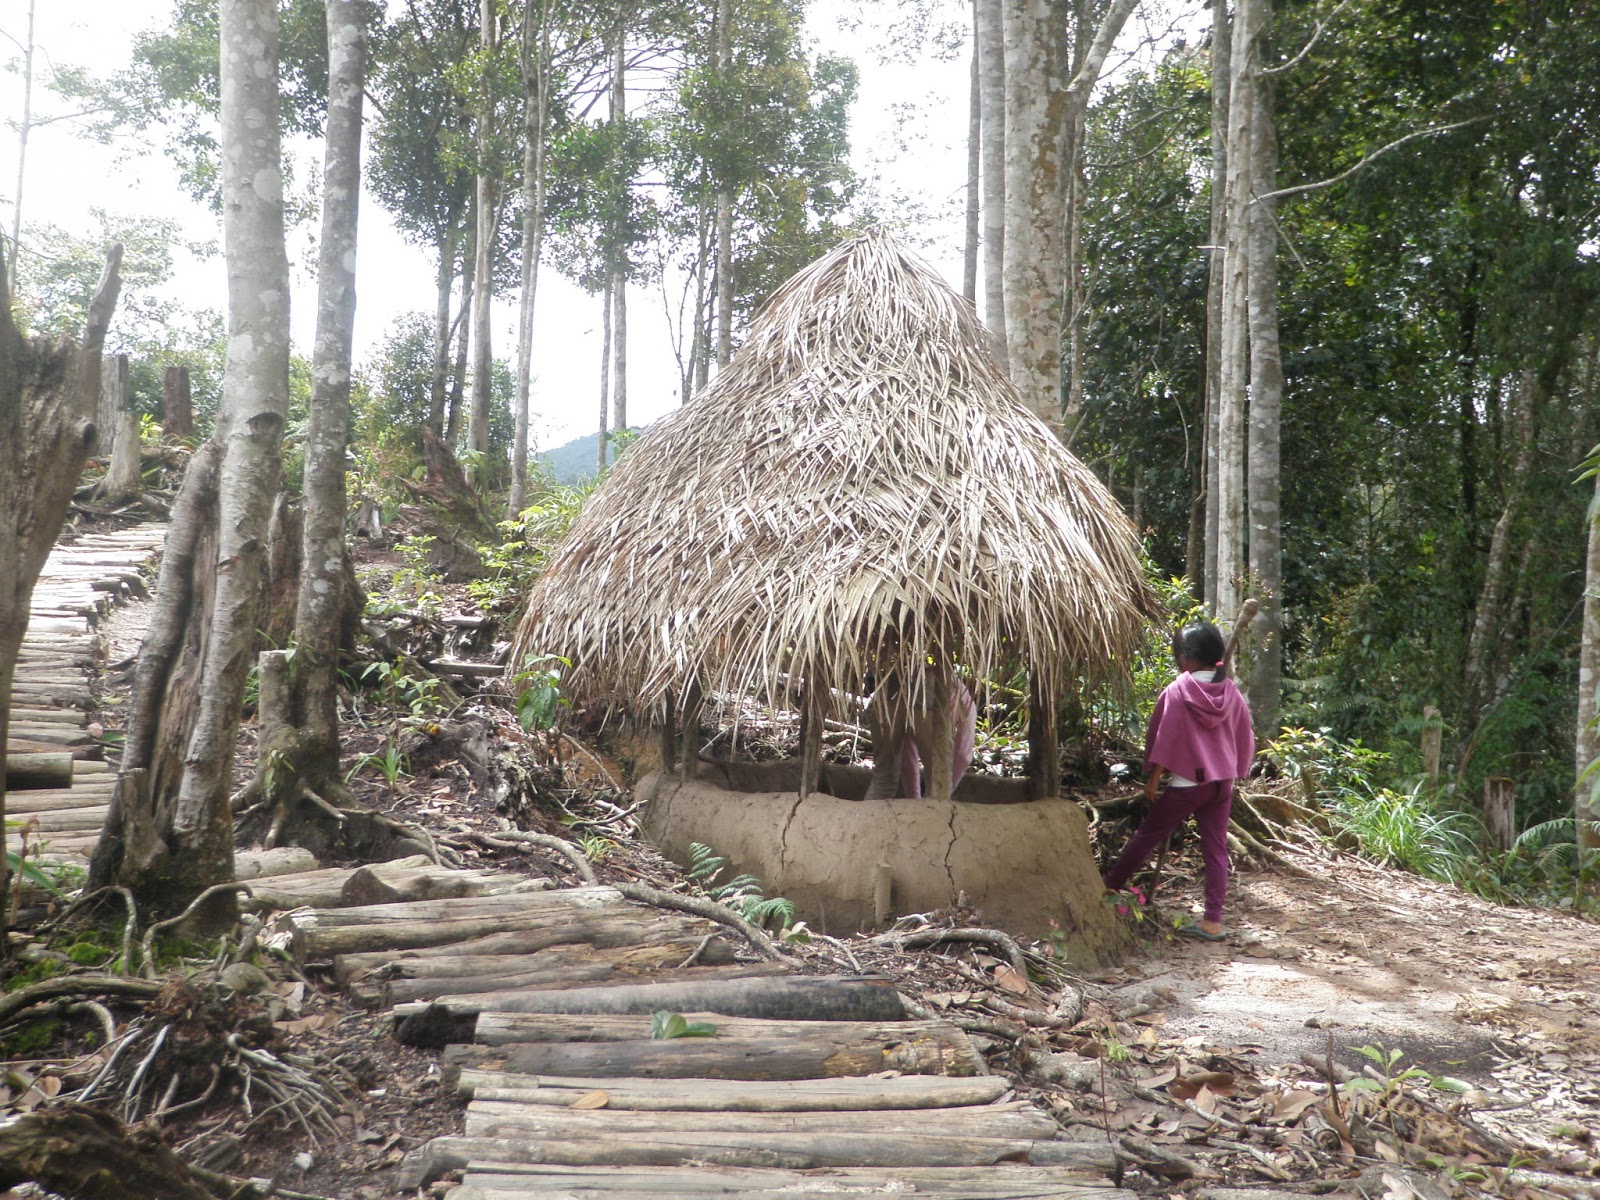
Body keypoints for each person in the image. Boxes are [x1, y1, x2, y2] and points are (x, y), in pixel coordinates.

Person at [1102, 621, 1254, 941]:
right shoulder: (1230, 691)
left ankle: (1110, 887)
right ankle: (1212, 921)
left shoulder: (1179, 690)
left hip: (1188, 785)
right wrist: (1235, 768)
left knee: (1148, 835)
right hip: (1222, 783)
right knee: (1215, 850)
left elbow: (1165, 737)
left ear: (1185, 657)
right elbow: (1244, 734)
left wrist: (1154, 779)